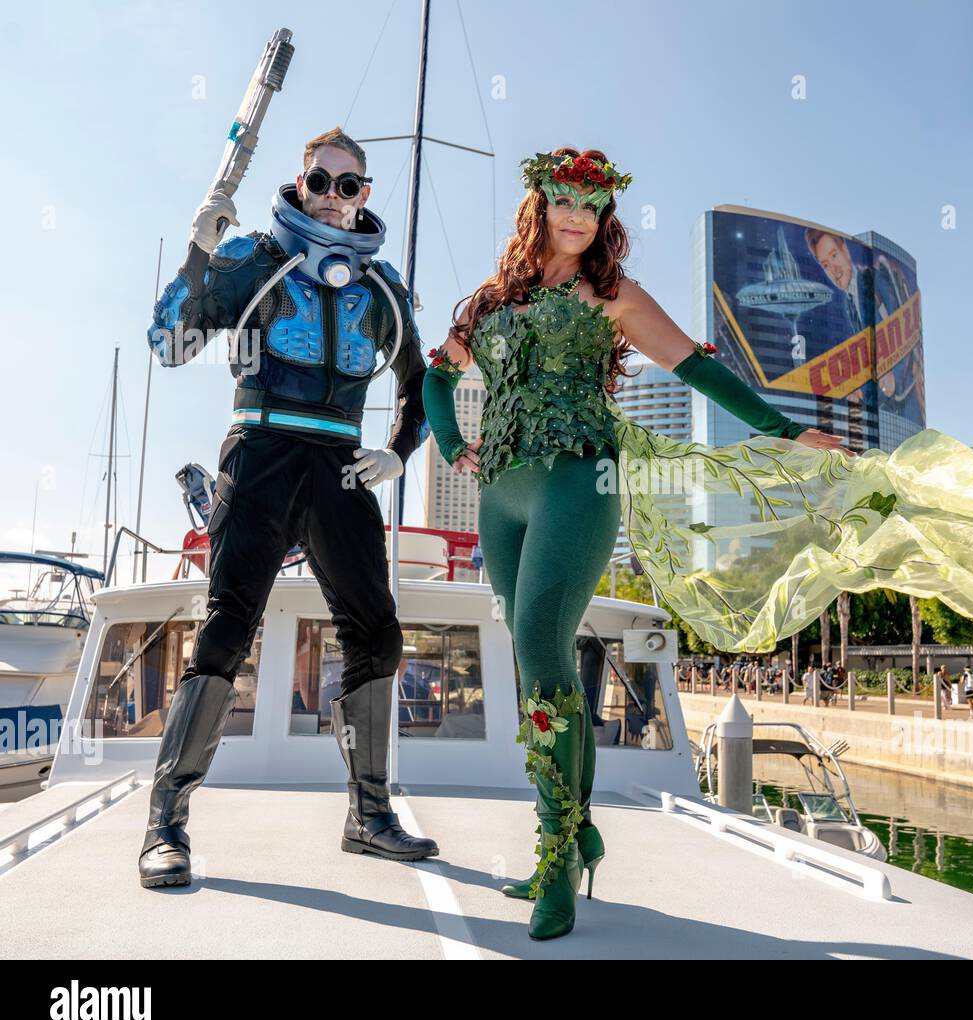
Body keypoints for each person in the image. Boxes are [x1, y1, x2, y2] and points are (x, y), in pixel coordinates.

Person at [422, 147, 844, 940]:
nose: (579, 215)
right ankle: (578, 830)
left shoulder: (609, 293)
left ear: (605, 213)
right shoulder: (490, 303)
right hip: (501, 495)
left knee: (545, 652)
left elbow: (698, 369)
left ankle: (555, 861)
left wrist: (787, 431)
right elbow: (434, 378)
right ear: (539, 204)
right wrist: (452, 445)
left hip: (579, 485)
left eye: (594, 204)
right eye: (565, 199)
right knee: (532, 656)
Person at [138, 127, 436, 888]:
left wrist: (398, 453)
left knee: (377, 628)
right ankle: (165, 822)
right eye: (320, 181)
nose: (332, 197)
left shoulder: (382, 289)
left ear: (365, 195)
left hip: (341, 465)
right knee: (227, 627)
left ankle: (369, 815)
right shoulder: (256, 263)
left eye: (348, 185)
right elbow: (170, 345)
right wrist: (197, 252)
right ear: (298, 184)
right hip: (262, 453)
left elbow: (421, 386)